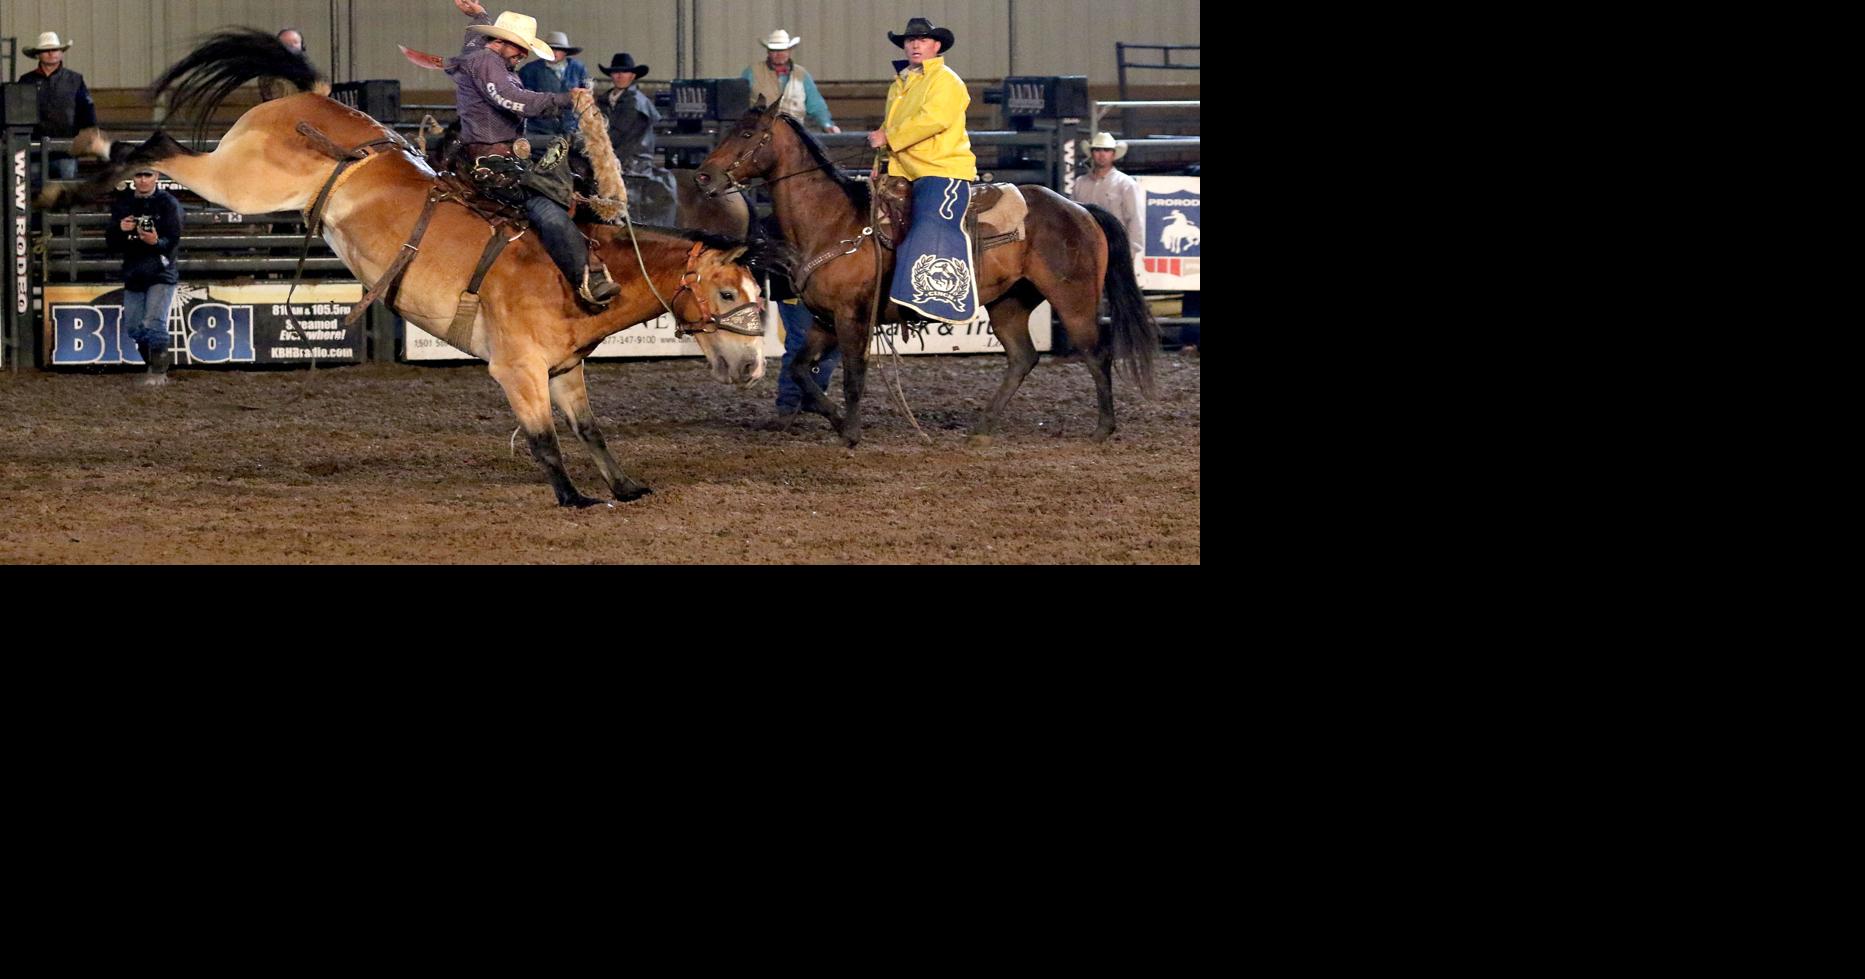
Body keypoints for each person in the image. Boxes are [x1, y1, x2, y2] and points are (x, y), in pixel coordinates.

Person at [445, 0, 618, 306]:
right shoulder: (487, 64)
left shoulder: (482, 57)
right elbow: (511, 99)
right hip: (493, 164)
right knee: (547, 210)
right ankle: (588, 277)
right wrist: (566, 99)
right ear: (499, 41)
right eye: (519, 47)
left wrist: (480, 16)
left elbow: (473, 42)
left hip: (503, 155)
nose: (523, 55)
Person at [867, 17, 977, 324]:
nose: (915, 44)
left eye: (923, 40)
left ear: (936, 46)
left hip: (941, 169)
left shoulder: (947, 81)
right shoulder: (900, 84)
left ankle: (928, 297)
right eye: (910, 40)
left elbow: (933, 120)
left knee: (929, 226)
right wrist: (880, 165)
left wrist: (888, 138)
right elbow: (889, 124)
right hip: (903, 171)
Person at [109, 168, 184, 386]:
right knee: (134, 327)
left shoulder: (168, 203)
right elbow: (110, 241)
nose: (143, 180)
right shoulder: (123, 203)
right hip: (134, 270)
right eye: (139, 175)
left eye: (147, 175)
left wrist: (156, 243)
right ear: (133, 178)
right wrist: (120, 229)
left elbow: (173, 240)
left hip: (160, 270)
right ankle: (153, 365)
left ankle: (158, 373)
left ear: (156, 177)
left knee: (154, 321)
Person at [598, 53, 676, 225]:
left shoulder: (637, 103)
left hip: (633, 162)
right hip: (610, 156)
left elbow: (621, 137)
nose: (619, 76)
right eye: (616, 72)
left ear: (632, 76)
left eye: (624, 72)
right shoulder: (604, 100)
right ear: (611, 75)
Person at [17, 31, 97, 181]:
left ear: (61, 53)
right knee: (33, 192)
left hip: (66, 148)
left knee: (65, 192)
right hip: (34, 149)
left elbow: (86, 110)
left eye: (54, 49)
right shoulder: (26, 81)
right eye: (46, 50)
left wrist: (89, 132)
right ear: (38, 55)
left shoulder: (75, 80)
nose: (50, 53)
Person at [740, 30, 840, 134]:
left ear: (789, 51)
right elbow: (740, 102)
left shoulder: (801, 74)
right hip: (761, 132)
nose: (779, 54)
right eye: (775, 51)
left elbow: (815, 104)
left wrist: (827, 124)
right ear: (768, 52)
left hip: (795, 132)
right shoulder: (752, 72)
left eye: (783, 50)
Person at [1070, 132, 1144, 271]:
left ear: (1113, 154)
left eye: (1106, 150)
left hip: (1115, 247)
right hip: (1086, 249)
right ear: (1092, 153)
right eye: (1097, 150)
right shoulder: (1080, 183)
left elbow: (1135, 218)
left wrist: (1131, 251)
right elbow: (1073, 218)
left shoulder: (1126, 184)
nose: (1102, 154)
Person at [517, 31, 591, 144]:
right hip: (539, 129)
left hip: (571, 128)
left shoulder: (578, 69)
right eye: (550, 49)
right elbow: (525, 100)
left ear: (566, 52)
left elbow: (586, 97)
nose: (554, 52)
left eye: (559, 49)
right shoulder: (530, 70)